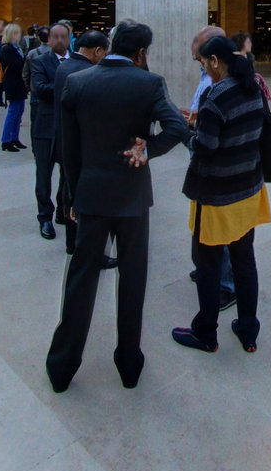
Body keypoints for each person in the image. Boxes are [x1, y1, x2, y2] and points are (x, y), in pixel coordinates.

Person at [45, 20, 188, 393]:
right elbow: (177, 128)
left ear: (110, 46)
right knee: (133, 278)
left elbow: (69, 149)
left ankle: (62, 366)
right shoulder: (149, 83)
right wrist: (147, 150)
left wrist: (72, 197)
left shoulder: (78, 82)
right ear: (141, 53)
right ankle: (128, 363)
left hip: (90, 194)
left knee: (81, 278)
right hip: (132, 196)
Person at [172, 35, 271, 355]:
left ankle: (205, 333)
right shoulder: (253, 86)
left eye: (203, 64)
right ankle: (248, 329)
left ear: (215, 61)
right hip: (249, 190)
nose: (204, 70)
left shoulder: (215, 96)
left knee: (208, 264)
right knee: (244, 260)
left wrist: (187, 134)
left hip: (217, 195)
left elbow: (206, 147)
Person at [184, 25, 236, 312]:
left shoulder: (221, 85)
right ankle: (207, 270)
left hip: (217, 167)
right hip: (206, 162)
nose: (195, 48)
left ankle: (226, 284)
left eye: (199, 44)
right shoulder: (207, 77)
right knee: (203, 224)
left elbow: (211, 136)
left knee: (221, 228)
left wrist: (187, 133)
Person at [52, 29, 111, 257]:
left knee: (69, 191)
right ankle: (85, 248)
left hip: (66, 141)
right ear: (97, 51)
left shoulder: (64, 66)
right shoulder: (89, 72)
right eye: (104, 53)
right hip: (85, 147)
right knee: (85, 200)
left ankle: (72, 243)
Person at [29, 23, 71, 241]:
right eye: (55, 37)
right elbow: (40, 88)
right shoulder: (40, 61)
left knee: (67, 172)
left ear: (69, 38)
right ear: (48, 39)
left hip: (67, 126)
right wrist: (68, 86)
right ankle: (44, 216)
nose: (59, 41)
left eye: (63, 36)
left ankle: (63, 209)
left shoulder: (75, 62)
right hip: (44, 127)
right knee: (43, 174)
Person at [0, 23, 27, 153]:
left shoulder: (16, 48)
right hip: (13, 84)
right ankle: (6, 140)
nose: (18, 36)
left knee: (19, 112)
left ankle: (14, 138)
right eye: (15, 33)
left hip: (19, 84)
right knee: (13, 112)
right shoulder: (7, 49)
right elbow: (17, 66)